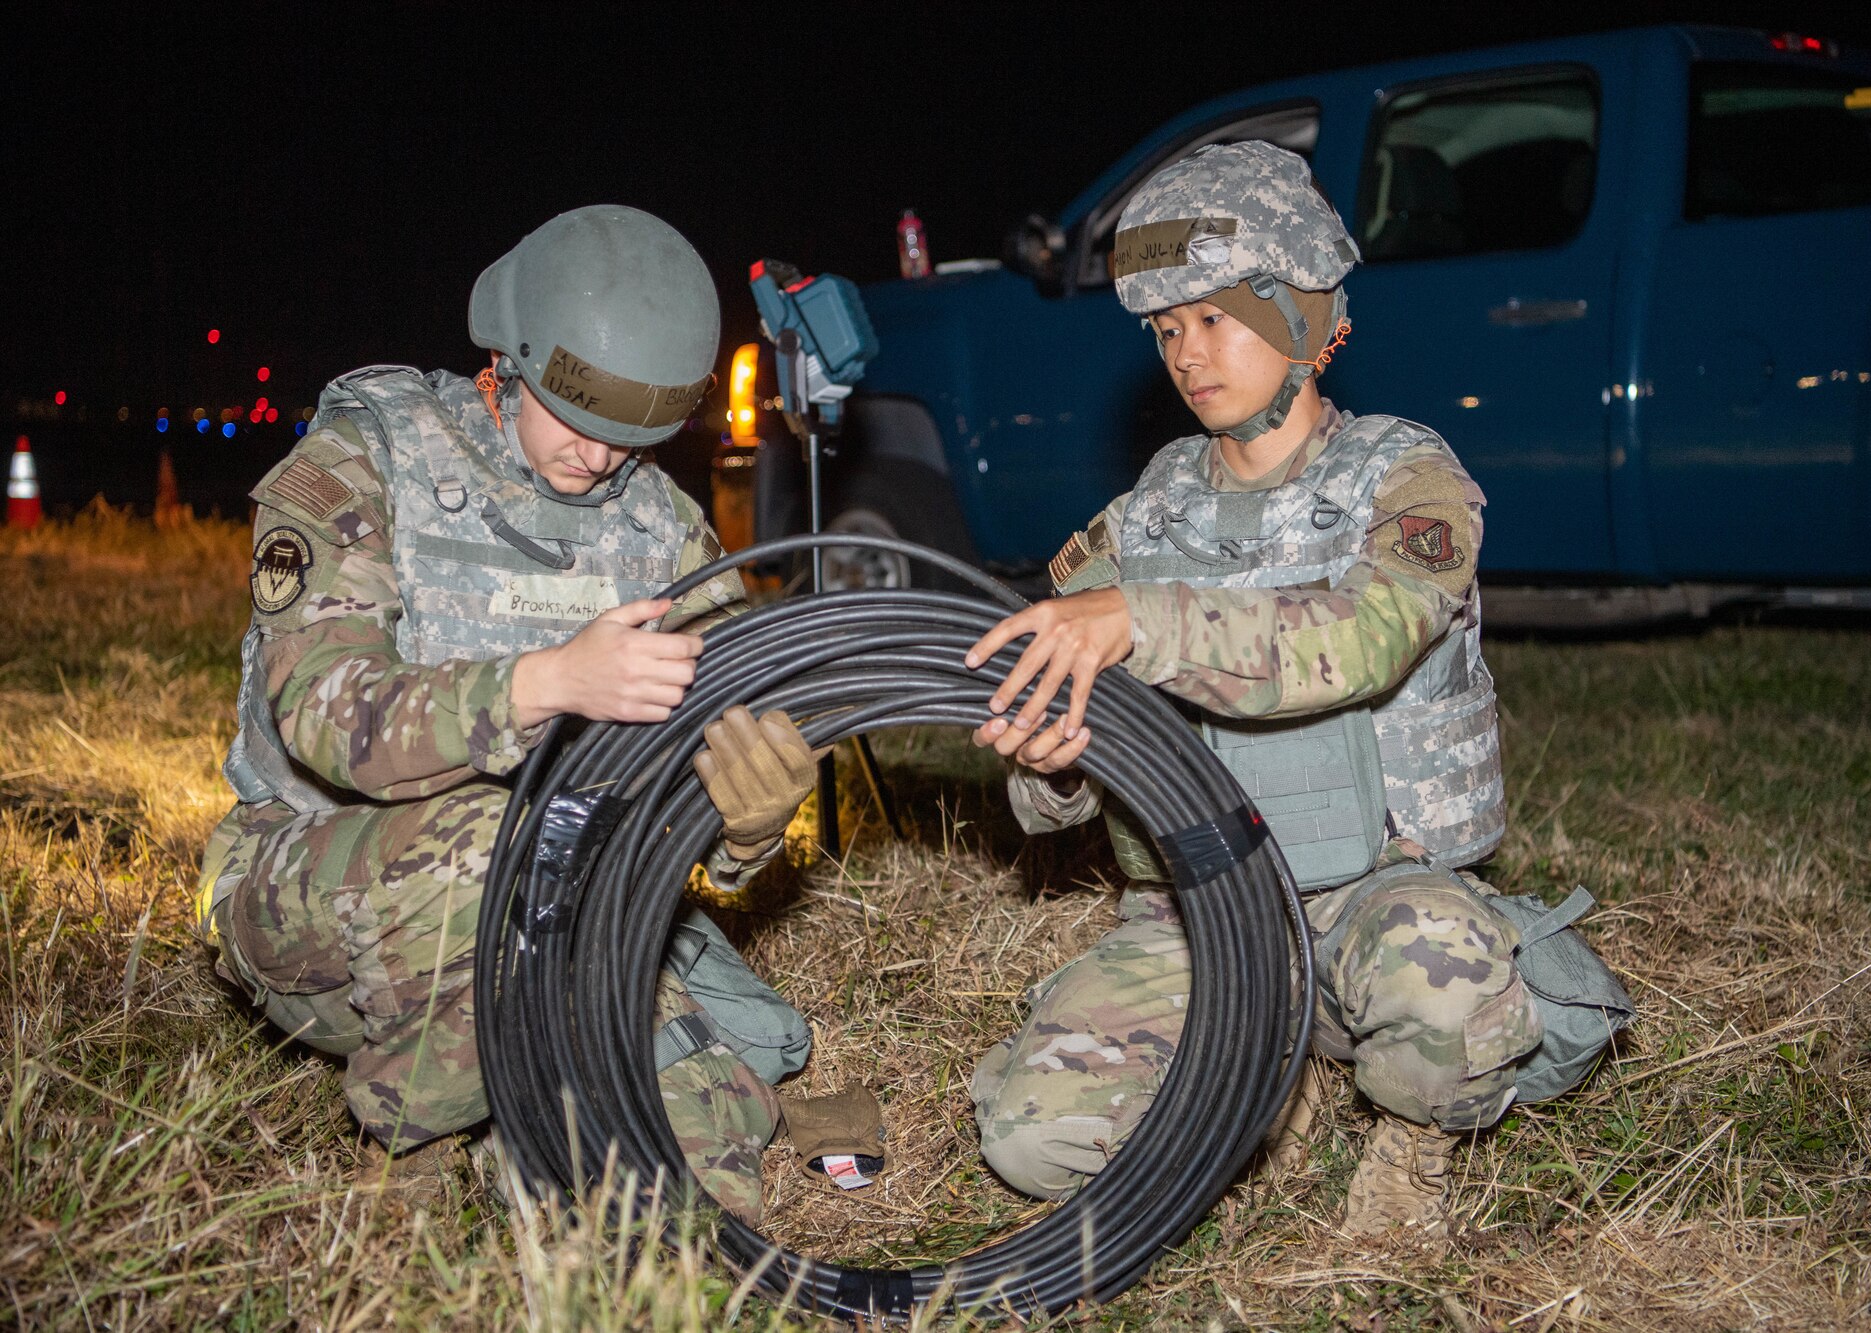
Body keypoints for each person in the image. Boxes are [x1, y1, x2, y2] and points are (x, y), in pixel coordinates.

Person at [963, 142, 1632, 1236]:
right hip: (1192, 910)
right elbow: (1052, 762)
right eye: (1165, 329)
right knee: (1035, 1137)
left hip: (1369, 892)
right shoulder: (1140, 523)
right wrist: (1052, 771)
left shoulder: (1404, 480)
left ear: (1303, 316)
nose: (1187, 352)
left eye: (1214, 316)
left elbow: (1365, 638)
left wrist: (1145, 620)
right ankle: (1272, 1082)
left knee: (1445, 985)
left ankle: (1412, 1144)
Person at [195, 206, 819, 1221]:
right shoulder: (370, 458)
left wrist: (747, 827)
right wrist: (550, 682)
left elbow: (697, 772)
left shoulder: (662, 528)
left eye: (634, 436)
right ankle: (410, 1125)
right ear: (513, 359)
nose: (599, 459)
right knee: (524, 852)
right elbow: (321, 715)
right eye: (580, 420)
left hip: (565, 902)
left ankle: (533, 1117)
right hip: (317, 874)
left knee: (707, 1128)